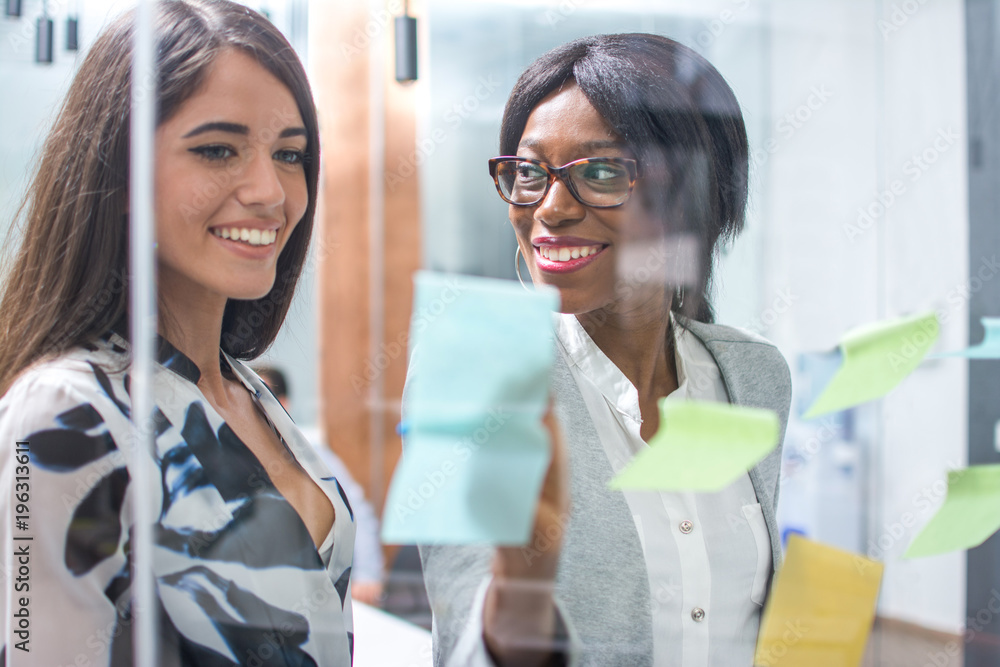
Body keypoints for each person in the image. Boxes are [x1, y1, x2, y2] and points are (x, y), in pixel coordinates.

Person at [418, 34, 791, 666]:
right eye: (530, 172)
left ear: (693, 196)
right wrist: (520, 599)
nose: (551, 209)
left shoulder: (754, 376)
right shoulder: (483, 375)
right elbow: (465, 640)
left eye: (601, 171)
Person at [0, 1, 355, 664]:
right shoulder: (67, 411)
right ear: (119, 172)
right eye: (217, 149)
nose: (271, 192)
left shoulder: (249, 393)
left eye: (290, 154)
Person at [256, 365, 386, 605]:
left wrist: (367, 574)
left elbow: (355, 509)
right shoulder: (237, 457)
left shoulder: (314, 456)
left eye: (264, 399)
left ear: (284, 404)